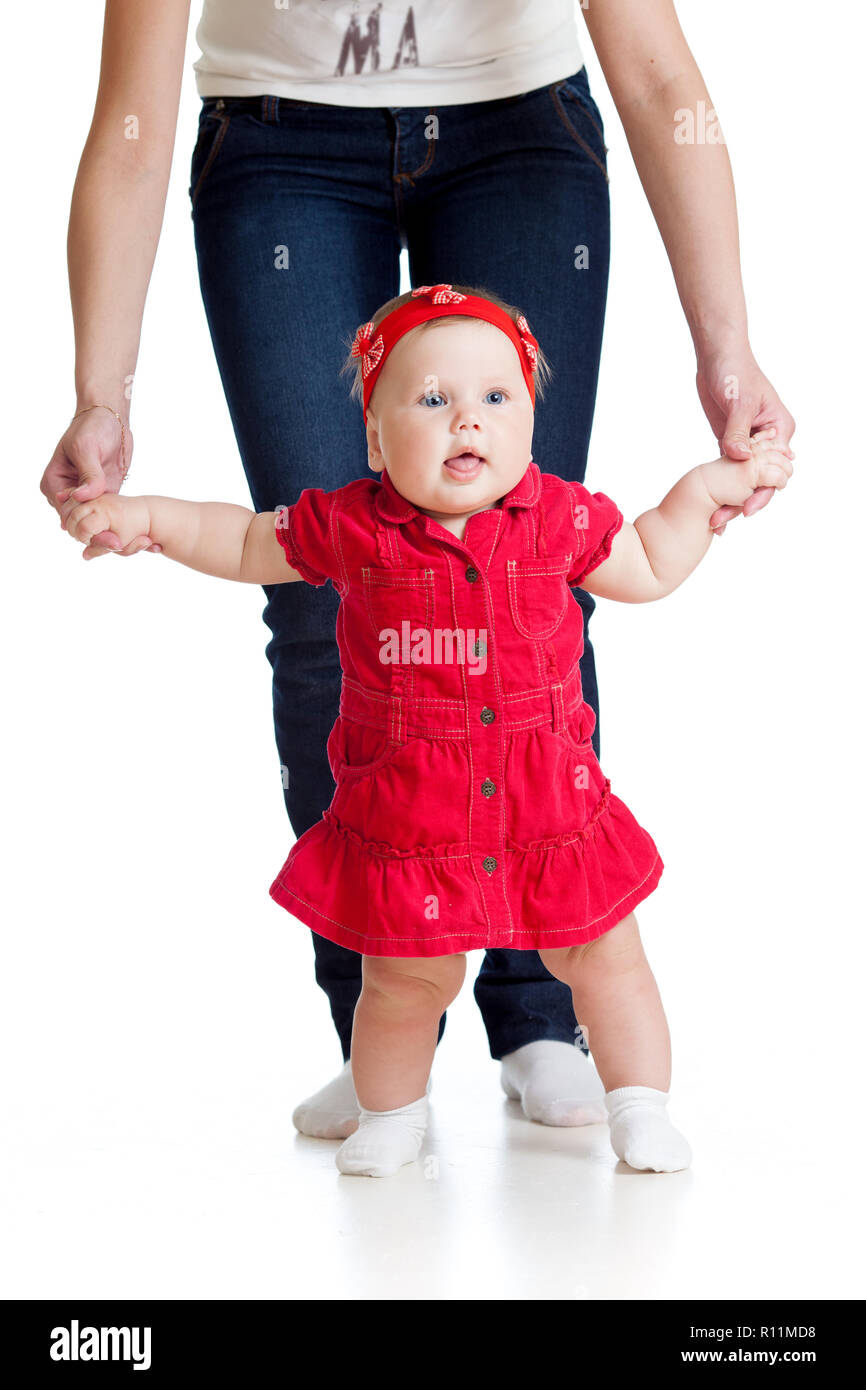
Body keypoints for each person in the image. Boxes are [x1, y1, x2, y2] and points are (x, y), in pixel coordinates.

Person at [42, 0, 795, 1140]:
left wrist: (727, 349)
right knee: (320, 595)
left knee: (529, 574)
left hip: (518, 132)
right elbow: (134, 115)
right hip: (278, 141)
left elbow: (654, 77)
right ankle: (378, 1027)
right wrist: (103, 394)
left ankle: (541, 1015)